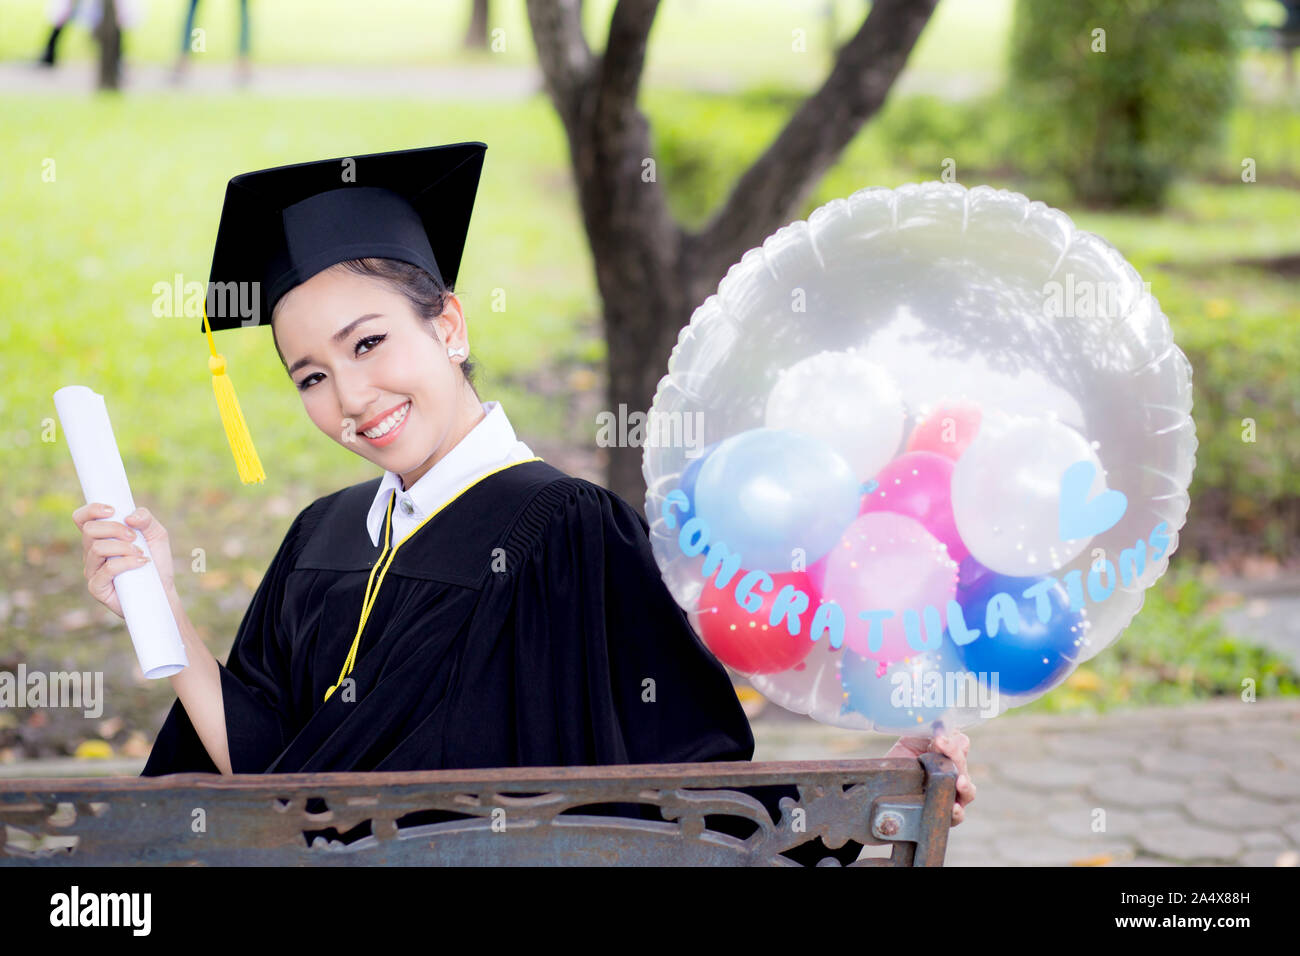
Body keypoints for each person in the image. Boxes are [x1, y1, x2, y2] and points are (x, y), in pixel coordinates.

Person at [72, 143, 974, 864]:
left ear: (451, 326)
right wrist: (164, 613)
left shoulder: (568, 534)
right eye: (311, 374)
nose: (349, 395)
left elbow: (683, 797)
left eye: (371, 341)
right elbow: (266, 788)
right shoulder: (324, 537)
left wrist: (871, 795)